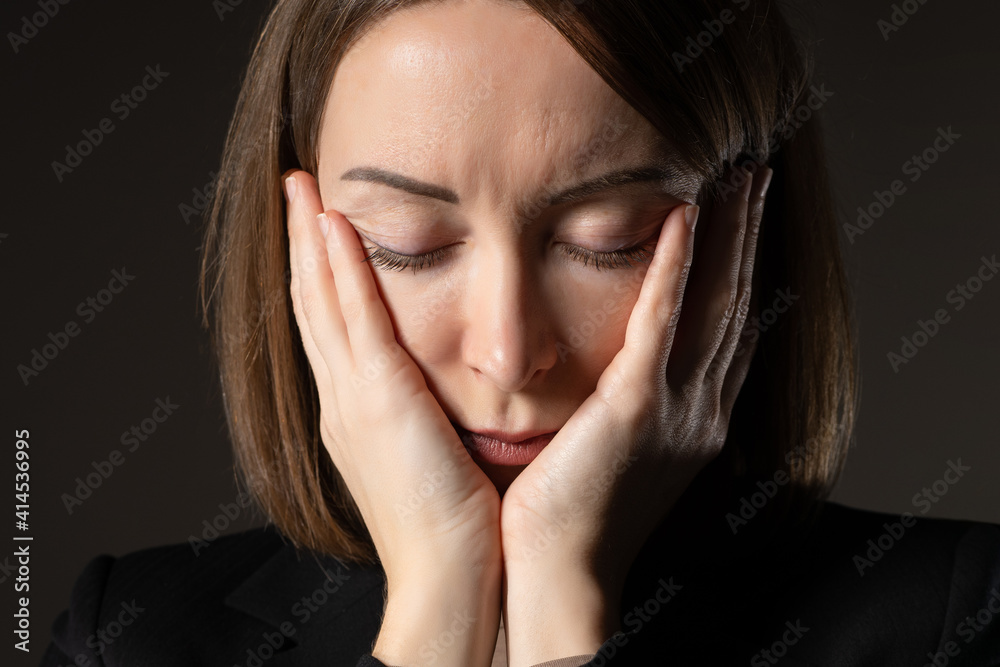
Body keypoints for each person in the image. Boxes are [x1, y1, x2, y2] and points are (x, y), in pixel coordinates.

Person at [42, 1, 1000, 666]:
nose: (508, 353)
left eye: (607, 240)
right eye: (407, 245)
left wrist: (567, 604)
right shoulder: (126, 636)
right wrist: (435, 607)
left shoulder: (958, 617)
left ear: (744, 240)